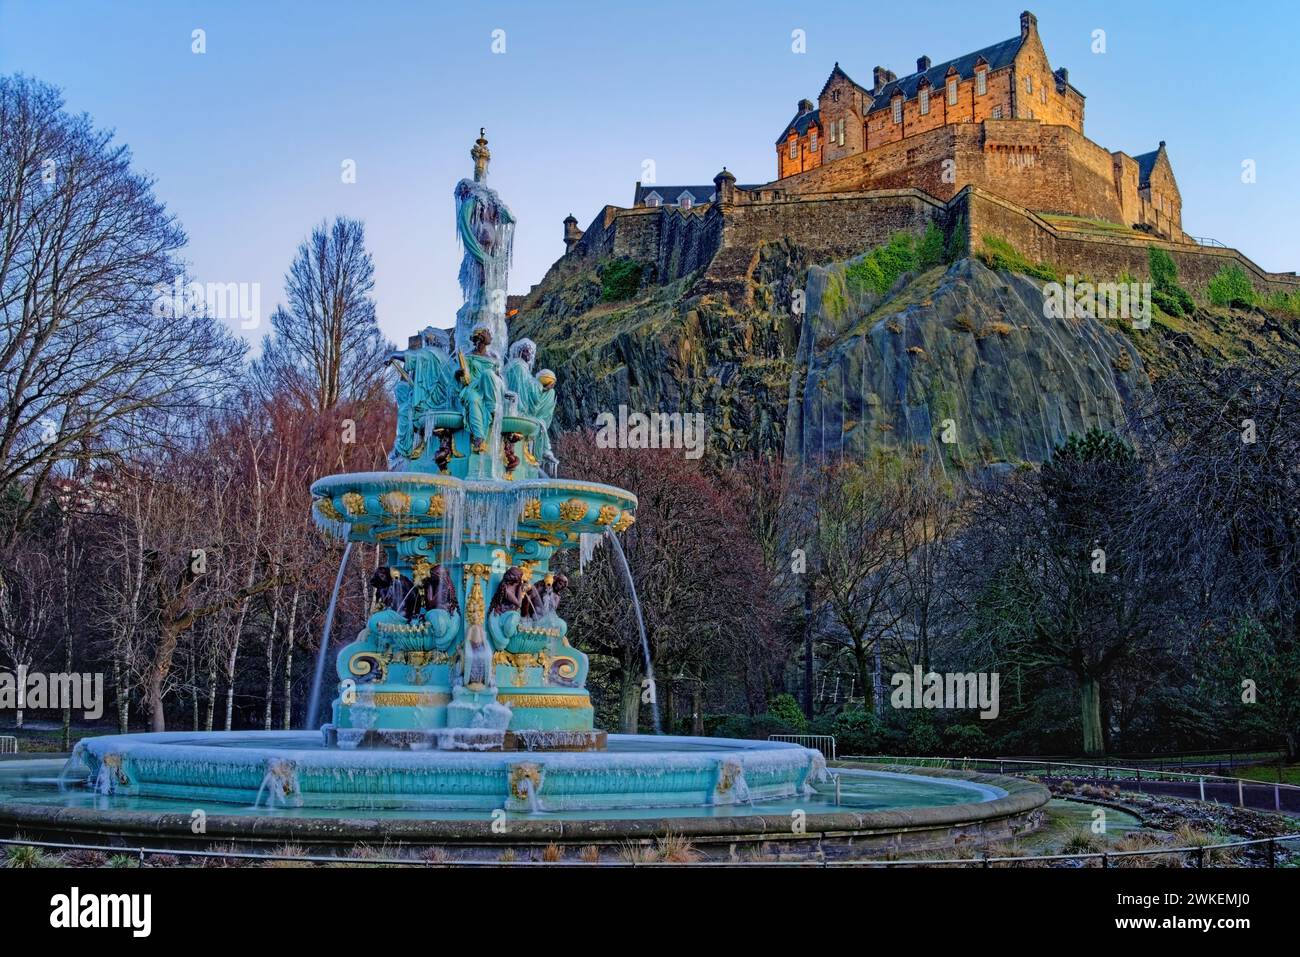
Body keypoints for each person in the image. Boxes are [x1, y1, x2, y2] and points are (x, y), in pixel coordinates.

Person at [456, 326, 501, 455]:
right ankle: (479, 438)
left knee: (488, 374)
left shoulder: (493, 357)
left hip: (490, 389)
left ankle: (492, 408)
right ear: (481, 337)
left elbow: (499, 377)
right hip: (473, 387)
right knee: (473, 399)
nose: (491, 336)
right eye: (488, 333)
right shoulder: (468, 356)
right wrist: (459, 374)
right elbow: (462, 375)